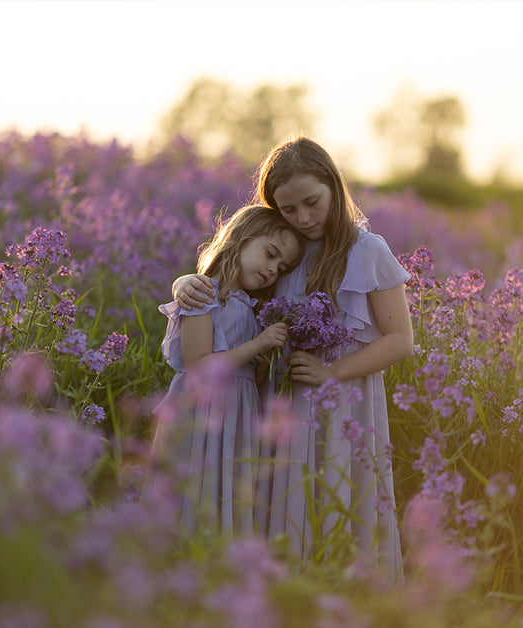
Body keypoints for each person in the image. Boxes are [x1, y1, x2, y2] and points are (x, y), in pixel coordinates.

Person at [173, 137, 414, 580]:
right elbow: (233, 289)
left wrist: (331, 372)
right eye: (288, 209)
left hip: (344, 399)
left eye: (312, 202)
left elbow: (400, 340)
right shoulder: (288, 252)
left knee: (340, 501)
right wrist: (186, 281)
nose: (303, 218)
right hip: (282, 405)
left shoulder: (368, 250)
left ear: (333, 186)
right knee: (280, 509)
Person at [150, 204, 305, 537]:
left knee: (226, 499)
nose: (273, 269)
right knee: (193, 493)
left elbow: (245, 375)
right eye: (270, 254)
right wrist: (258, 344)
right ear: (241, 238)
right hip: (202, 416)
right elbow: (200, 368)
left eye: (282, 267)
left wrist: (259, 372)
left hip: (237, 419)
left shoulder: (252, 307)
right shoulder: (203, 295)